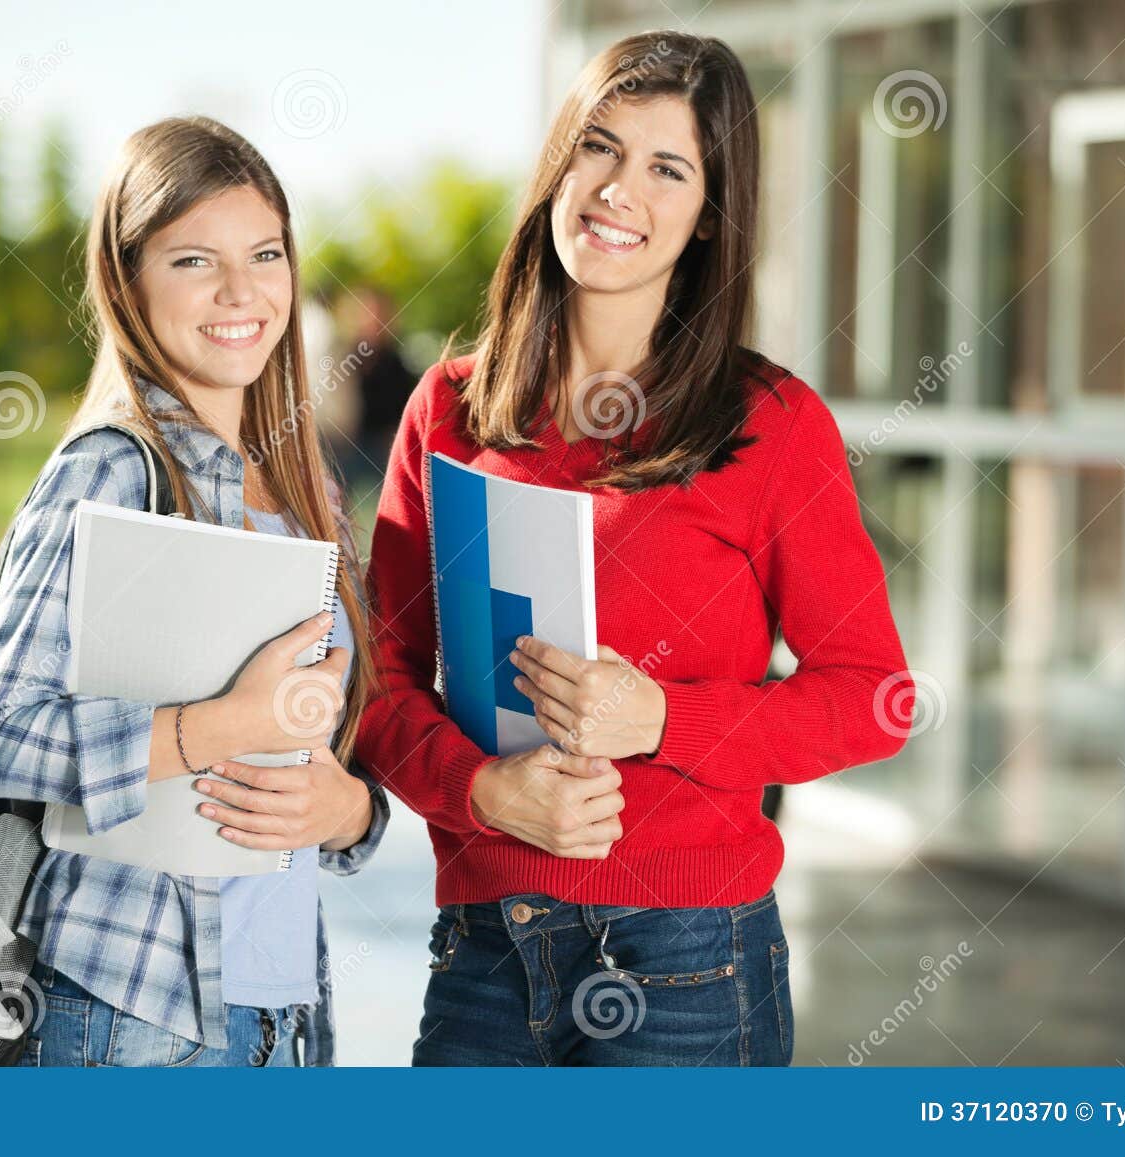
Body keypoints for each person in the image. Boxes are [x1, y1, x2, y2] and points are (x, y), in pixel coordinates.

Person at [355, 31, 916, 1066]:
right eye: (599, 147)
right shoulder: (450, 408)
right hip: (484, 956)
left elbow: (873, 696)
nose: (619, 189)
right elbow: (379, 675)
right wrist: (480, 789)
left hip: (687, 967)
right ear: (557, 166)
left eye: (669, 168)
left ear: (708, 217)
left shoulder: (769, 423)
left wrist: (663, 715)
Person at [0, 115, 387, 1067]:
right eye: (194, 260)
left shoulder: (307, 491)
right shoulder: (111, 468)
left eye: (265, 253)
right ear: (128, 280)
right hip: (134, 1014)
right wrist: (223, 724)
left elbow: (335, 756)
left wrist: (351, 813)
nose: (242, 292)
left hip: (282, 1012)